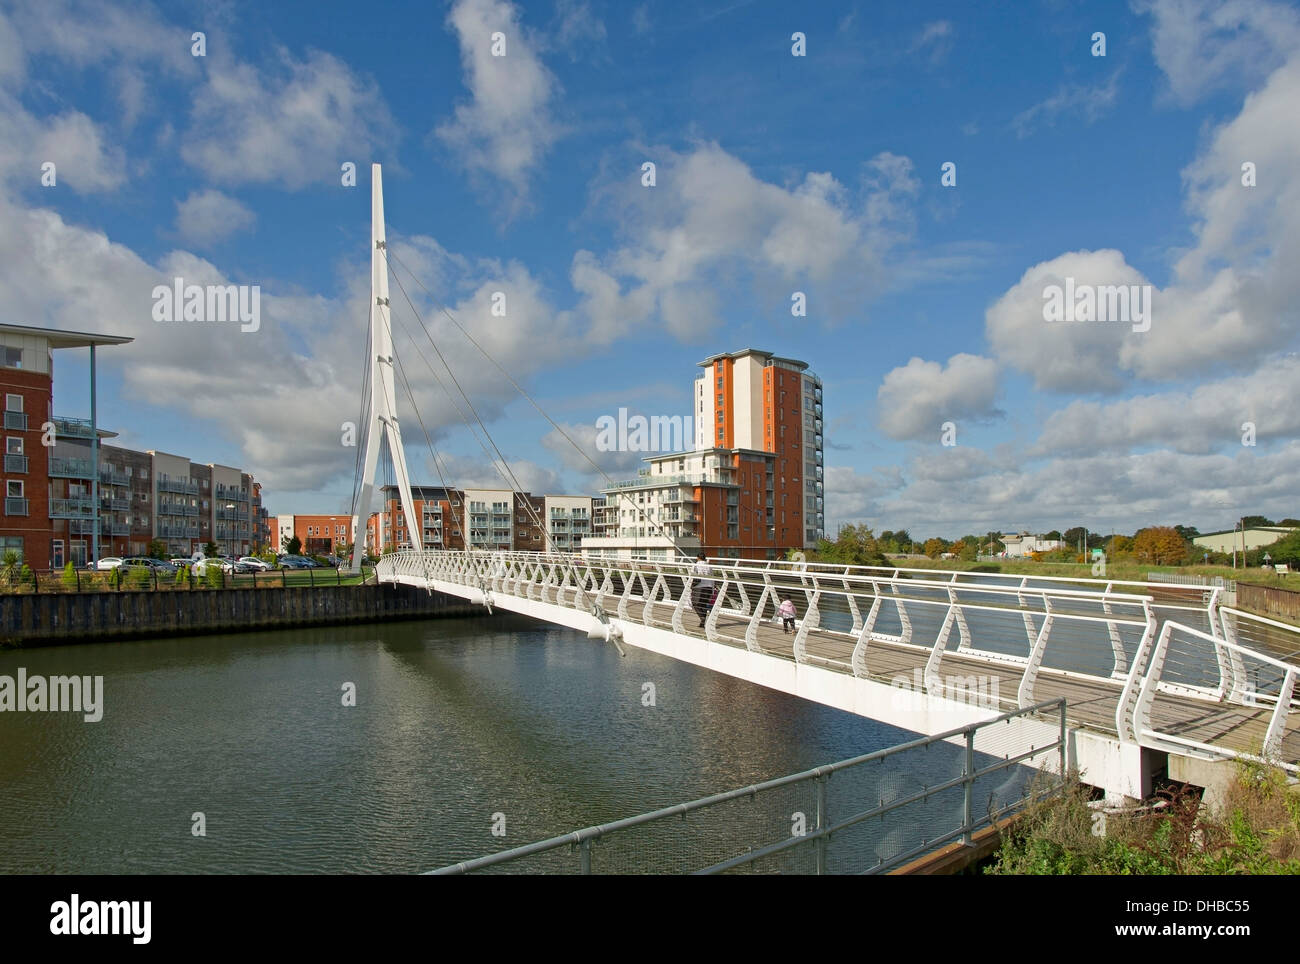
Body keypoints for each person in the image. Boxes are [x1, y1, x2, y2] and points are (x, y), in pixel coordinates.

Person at [691, 553, 713, 628]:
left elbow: (693, 576)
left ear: (697, 558)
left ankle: (702, 618)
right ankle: (702, 623)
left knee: (695, 603)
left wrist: (691, 585)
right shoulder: (709, 566)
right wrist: (713, 588)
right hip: (709, 586)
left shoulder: (696, 565)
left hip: (699, 587)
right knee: (703, 604)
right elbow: (712, 577)